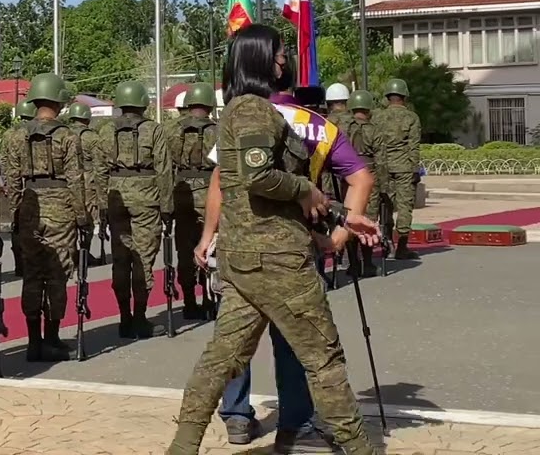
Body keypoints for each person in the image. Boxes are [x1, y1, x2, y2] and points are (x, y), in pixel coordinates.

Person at [169, 23, 380, 455]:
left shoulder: (243, 110)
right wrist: (309, 190)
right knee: (324, 359)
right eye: (280, 52)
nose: (285, 59)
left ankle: (182, 447)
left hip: (248, 258)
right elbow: (259, 175)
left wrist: (341, 215)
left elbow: (243, 183)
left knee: (221, 360)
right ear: (260, 58)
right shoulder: (254, 110)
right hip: (279, 260)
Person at [1, 73, 87, 360]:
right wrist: (82, 216)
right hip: (61, 209)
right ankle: (51, 337)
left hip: (29, 207)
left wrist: (15, 214)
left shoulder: (14, 137)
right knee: (57, 275)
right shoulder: (67, 137)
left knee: (32, 275)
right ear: (58, 102)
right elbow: (76, 180)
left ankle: (33, 341)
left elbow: (11, 182)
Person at [97, 80, 173, 339]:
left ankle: (124, 318)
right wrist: (167, 207)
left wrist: (102, 205)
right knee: (143, 260)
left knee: (121, 259)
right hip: (146, 198)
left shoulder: (105, 131)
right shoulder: (154, 130)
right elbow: (164, 170)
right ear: (143, 102)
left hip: (116, 197)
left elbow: (99, 171)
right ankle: (139, 318)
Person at [167, 82, 216, 321]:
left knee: (184, 248)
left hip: (182, 191)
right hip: (208, 192)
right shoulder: (217, 130)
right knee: (210, 246)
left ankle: (188, 301)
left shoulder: (172, 130)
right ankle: (209, 299)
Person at [373, 78, 421, 260]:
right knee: (404, 207)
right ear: (404, 96)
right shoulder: (411, 118)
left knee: (385, 205)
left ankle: (387, 244)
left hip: (383, 167)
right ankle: (401, 246)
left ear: (388, 97)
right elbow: (413, 146)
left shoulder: (377, 117)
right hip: (404, 168)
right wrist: (415, 170)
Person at [344, 91, 383, 278]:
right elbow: (381, 160)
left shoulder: (344, 129)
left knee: (350, 218)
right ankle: (367, 264)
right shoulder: (375, 130)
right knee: (368, 220)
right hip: (369, 176)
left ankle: (353, 264)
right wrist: (383, 184)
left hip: (348, 177)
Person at [64, 103, 105, 266]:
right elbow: (100, 164)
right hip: (88, 182)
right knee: (87, 219)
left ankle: (70, 252)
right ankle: (84, 252)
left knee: (70, 219)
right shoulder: (92, 138)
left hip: (67, 181)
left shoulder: (64, 134)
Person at [8, 100, 36, 278]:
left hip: (18, 187)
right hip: (40, 190)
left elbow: (7, 162)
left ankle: (20, 263)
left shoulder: (11, 135)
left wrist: (12, 195)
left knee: (17, 226)